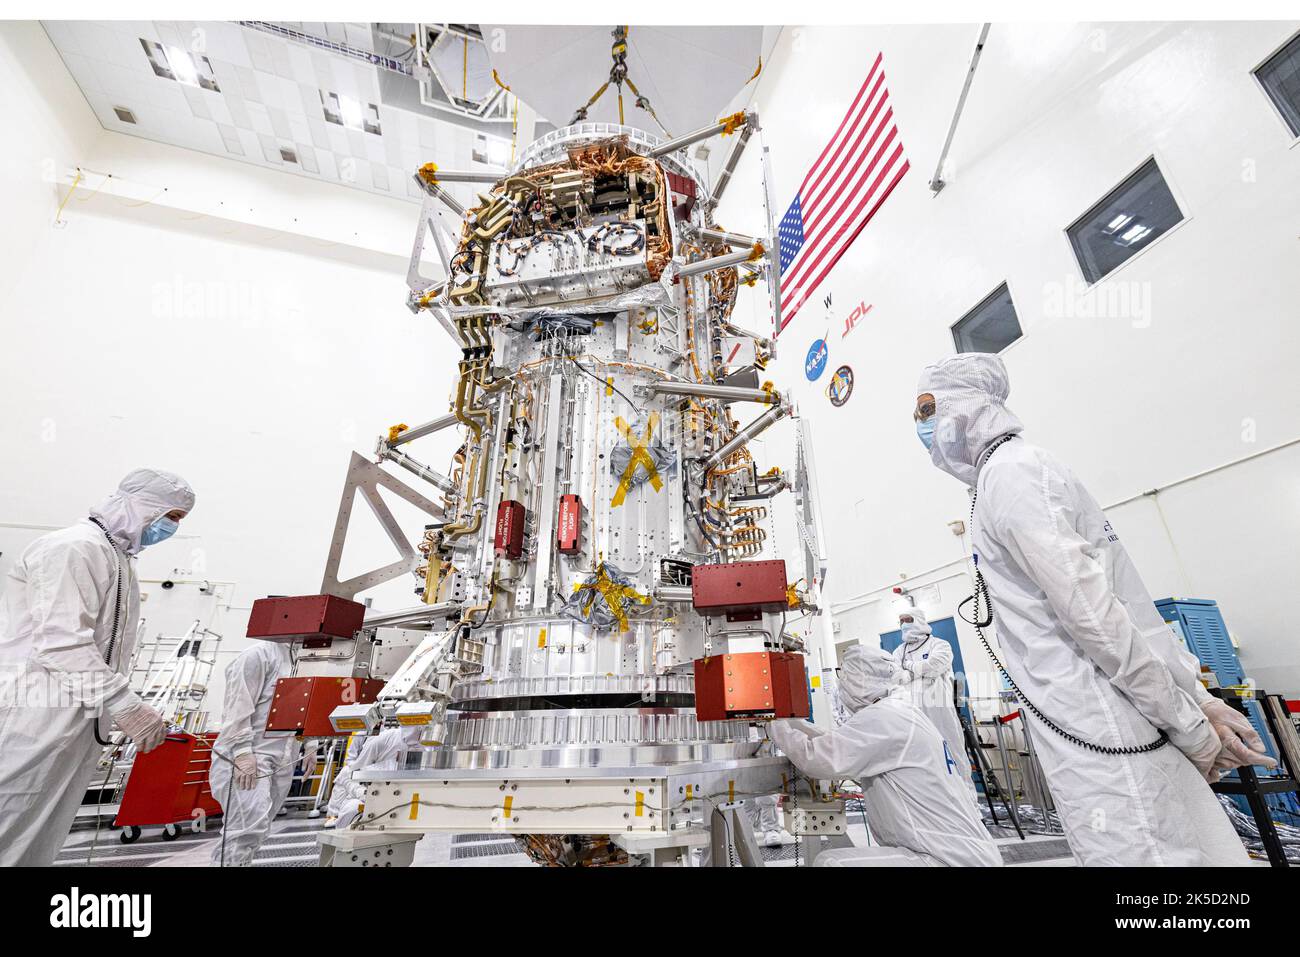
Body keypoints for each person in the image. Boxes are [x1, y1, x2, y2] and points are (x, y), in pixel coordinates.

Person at [914, 352, 1273, 866]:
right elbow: (1127, 606)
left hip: (1103, 735)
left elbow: (1094, 616)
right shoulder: (1012, 474)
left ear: (967, 406)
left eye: (928, 410)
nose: (922, 428)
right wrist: (1196, 701)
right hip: (1103, 729)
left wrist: (1191, 723)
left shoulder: (1012, 476)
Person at [0, 469, 194, 866]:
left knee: (38, 836)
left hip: (76, 718)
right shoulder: (73, 548)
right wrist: (125, 703)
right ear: (143, 505)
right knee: (11, 820)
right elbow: (60, 642)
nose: (171, 528)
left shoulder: (117, 557)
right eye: (171, 516)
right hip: (34, 714)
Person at [769, 645, 1002, 867]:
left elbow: (817, 758)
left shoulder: (883, 718)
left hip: (943, 857)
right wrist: (795, 724)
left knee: (831, 862)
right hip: (959, 851)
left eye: (844, 675)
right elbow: (842, 742)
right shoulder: (900, 712)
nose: (842, 684)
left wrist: (774, 723)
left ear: (859, 680)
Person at [209, 639, 296, 866]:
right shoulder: (259, 654)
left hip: (282, 759)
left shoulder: (302, 658)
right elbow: (237, 707)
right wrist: (242, 752)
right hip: (248, 757)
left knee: (258, 831)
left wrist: (312, 746)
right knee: (243, 832)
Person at [891, 608, 978, 802]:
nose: (905, 623)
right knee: (919, 756)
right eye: (902, 620)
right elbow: (895, 676)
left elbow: (936, 664)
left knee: (953, 753)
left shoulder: (940, 645)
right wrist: (920, 671)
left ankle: (968, 802)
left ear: (919, 620)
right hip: (912, 711)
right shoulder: (898, 652)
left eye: (908, 619)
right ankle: (933, 803)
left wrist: (910, 670)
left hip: (940, 710)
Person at [326, 725, 426, 829]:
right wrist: (363, 792)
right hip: (363, 789)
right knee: (351, 808)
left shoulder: (419, 747)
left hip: (392, 798)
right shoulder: (380, 739)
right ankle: (333, 815)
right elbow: (351, 769)